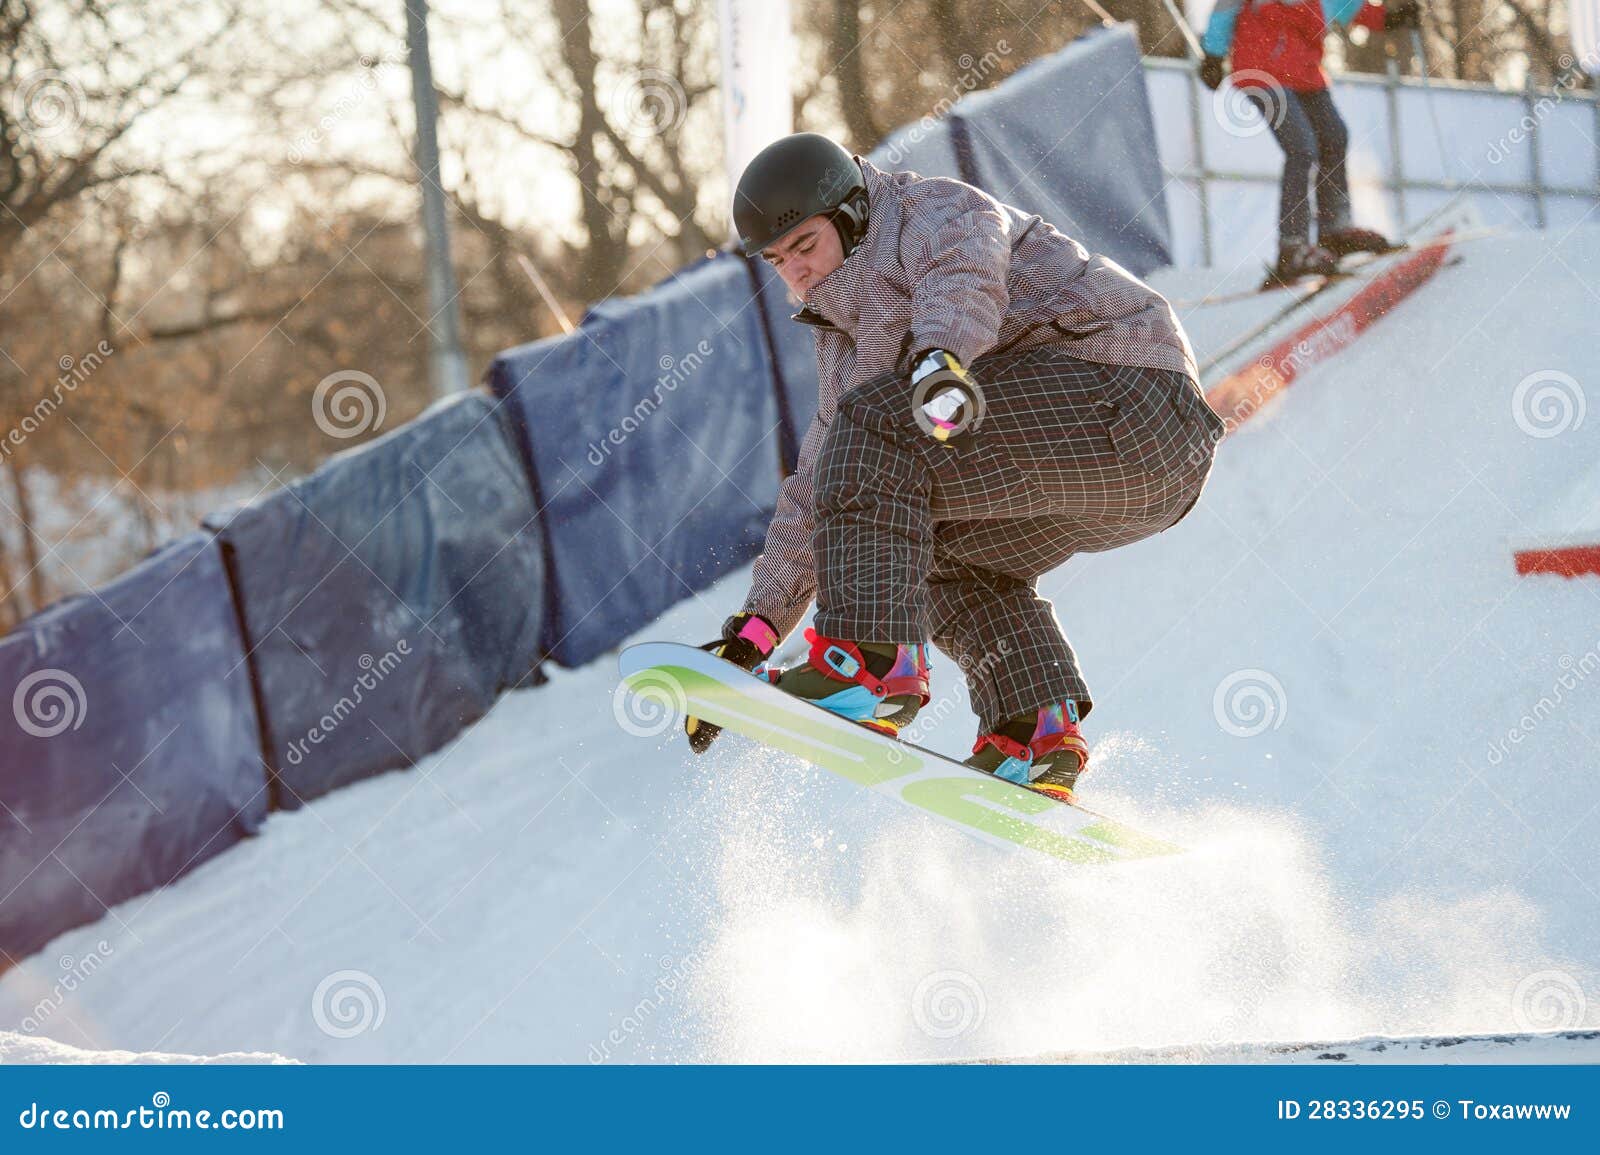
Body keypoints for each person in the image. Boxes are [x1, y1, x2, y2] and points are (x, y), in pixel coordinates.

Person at [684, 132, 1225, 803]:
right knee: (913, 535)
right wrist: (754, 634)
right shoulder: (844, 345)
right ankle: (1035, 730)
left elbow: (963, 276)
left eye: (806, 246)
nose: (796, 272)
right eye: (778, 261)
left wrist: (941, 359)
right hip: (1132, 485)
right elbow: (820, 488)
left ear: (850, 216)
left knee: (877, 423)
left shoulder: (927, 212)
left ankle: (871, 664)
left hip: (1136, 401)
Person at [1200, 0, 1423, 282]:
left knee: (1334, 136)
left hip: (1304, 74)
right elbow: (1225, 7)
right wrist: (1213, 54)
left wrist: (1391, 18)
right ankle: (1292, 247)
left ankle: (1335, 231)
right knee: (1302, 148)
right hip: (1260, 72)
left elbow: (1350, 7)